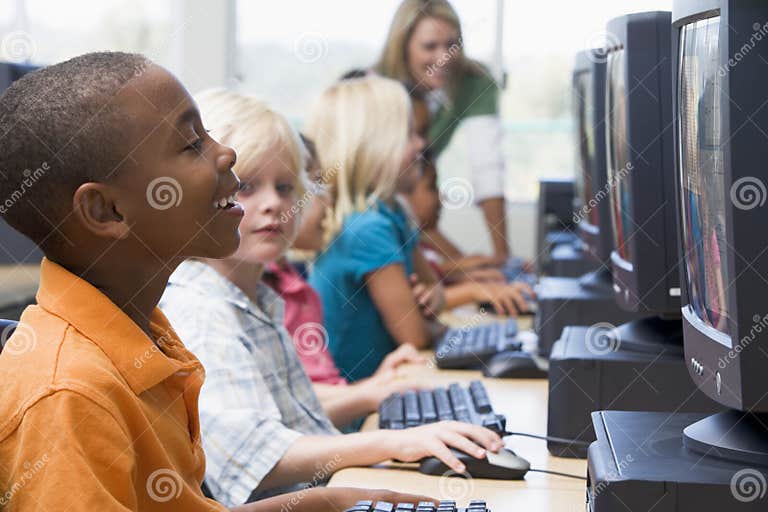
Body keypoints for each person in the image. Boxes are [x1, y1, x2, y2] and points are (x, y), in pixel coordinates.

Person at [0, 52, 425, 511]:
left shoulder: (147, 333)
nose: (226, 153)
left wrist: (328, 502)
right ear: (108, 211)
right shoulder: (71, 394)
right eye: (191, 143)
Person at [159, 89, 504, 506]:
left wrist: (378, 394)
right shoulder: (201, 310)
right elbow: (259, 455)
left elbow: (288, 417)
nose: (273, 204)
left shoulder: (257, 299)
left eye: (286, 187)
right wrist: (392, 443)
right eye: (246, 186)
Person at [267, 133, 428, 428]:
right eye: (313, 186)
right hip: (335, 441)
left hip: (335, 433)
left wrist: (373, 387)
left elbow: (298, 397)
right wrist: (367, 395)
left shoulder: (292, 284)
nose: (327, 199)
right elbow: (279, 418)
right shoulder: (367, 228)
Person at [376, 0, 512, 262]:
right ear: (402, 47)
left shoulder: (475, 82)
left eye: (452, 45)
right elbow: (403, 205)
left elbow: (488, 169)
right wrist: (467, 269)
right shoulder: (377, 88)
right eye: (430, 46)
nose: (444, 58)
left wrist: (502, 259)